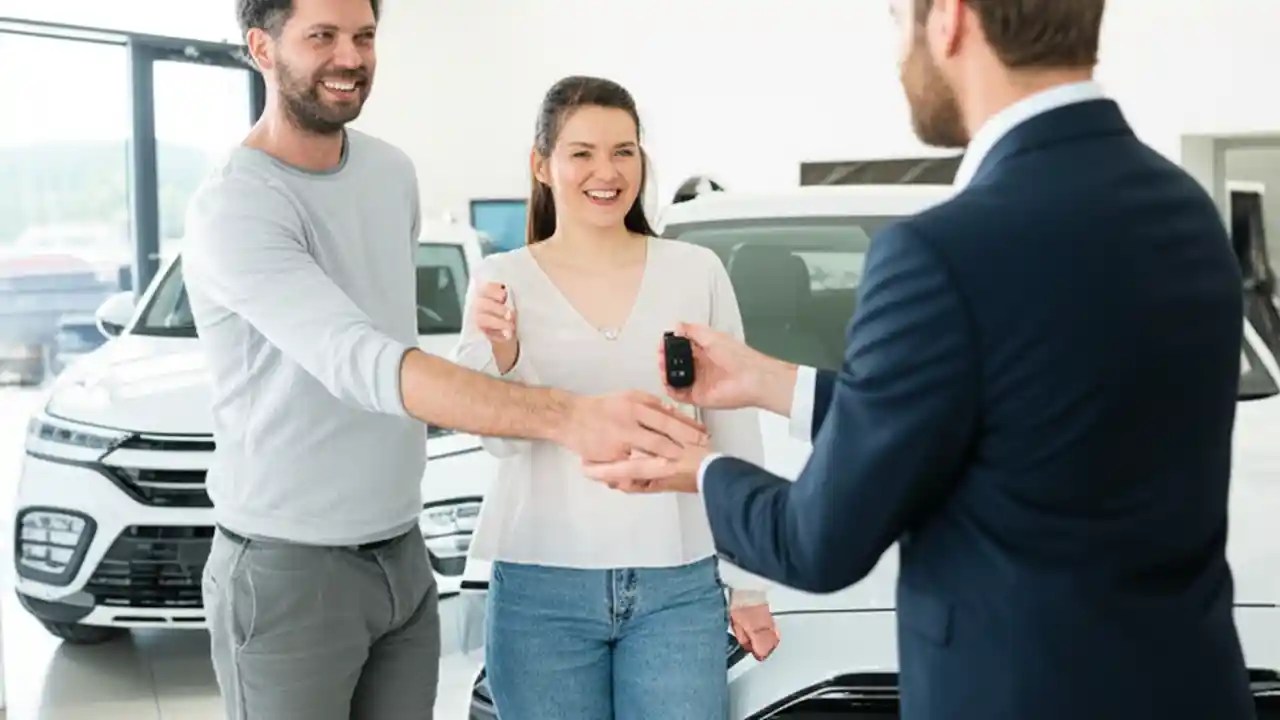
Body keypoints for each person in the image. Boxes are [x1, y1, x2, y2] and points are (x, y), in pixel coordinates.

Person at [585, 0, 1256, 718]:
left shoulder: (939, 253)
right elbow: (1026, 427)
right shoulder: (1187, 215)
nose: (900, 51)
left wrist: (699, 471)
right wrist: (774, 383)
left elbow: (817, 542)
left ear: (951, 20)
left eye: (899, 19)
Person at [182, 3, 701, 719]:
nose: (351, 57)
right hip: (289, 564)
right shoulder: (235, 205)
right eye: (322, 37)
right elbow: (360, 360)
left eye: (364, 36)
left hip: (400, 550)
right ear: (261, 48)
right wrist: (569, 416)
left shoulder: (390, 174)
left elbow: (403, 343)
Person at [451, 75, 780, 720]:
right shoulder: (500, 280)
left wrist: (747, 585)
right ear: (541, 165)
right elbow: (496, 436)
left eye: (624, 151)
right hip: (540, 589)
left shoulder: (696, 273)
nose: (607, 171)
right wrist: (508, 356)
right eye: (582, 153)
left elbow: (734, 430)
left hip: (677, 585)